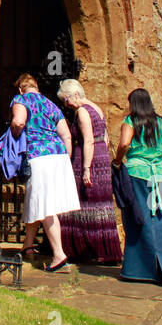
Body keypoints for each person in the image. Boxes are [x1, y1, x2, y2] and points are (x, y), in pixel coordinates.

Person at [112, 87, 162, 286]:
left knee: (137, 219)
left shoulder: (131, 121)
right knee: (159, 222)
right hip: (159, 175)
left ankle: (139, 271)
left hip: (137, 175)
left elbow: (125, 144)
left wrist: (118, 161)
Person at [10, 73, 79, 273]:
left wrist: (13, 136)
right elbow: (66, 134)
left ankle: (59, 255)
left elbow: (19, 122)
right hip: (59, 155)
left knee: (45, 206)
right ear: (36, 87)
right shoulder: (50, 104)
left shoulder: (21, 99)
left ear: (20, 88)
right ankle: (28, 245)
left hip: (38, 156)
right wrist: (66, 159)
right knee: (37, 202)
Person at [56, 78, 123, 265]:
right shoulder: (97, 108)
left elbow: (89, 140)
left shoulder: (83, 111)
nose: (66, 104)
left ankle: (82, 249)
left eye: (66, 99)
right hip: (101, 158)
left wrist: (86, 169)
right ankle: (103, 250)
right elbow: (106, 139)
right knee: (100, 207)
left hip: (89, 160)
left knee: (82, 204)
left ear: (76, 94)